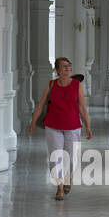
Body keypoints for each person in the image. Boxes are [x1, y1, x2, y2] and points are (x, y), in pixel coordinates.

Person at [28, 57, 92, 200]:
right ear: (57, 70)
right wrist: (33, 122)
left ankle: (68, 177)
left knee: (71, 158)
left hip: (73, 126)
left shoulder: (77, 85)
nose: (67, 68)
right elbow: (41, 105)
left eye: (69, 65)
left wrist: (88, 126)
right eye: (64, 66)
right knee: (55, 157)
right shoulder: (51, 85)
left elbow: (82, 108)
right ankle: (59, 187)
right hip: (53, 126)